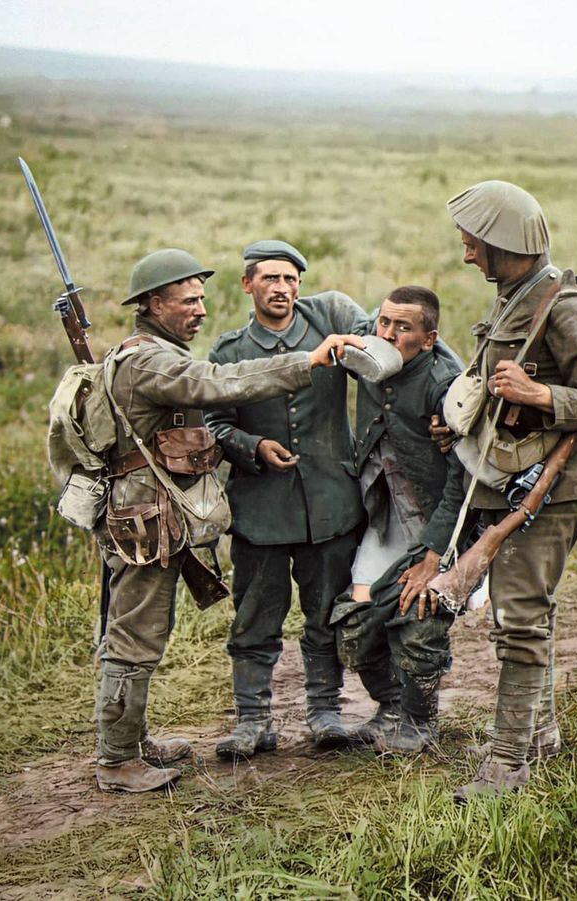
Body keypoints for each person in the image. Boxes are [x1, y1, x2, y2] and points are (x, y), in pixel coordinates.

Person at [93, 248, 363, 792]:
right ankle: (118, 760)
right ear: (152, 304)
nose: (198, 309)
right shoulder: (151, 360)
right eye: (187, 300)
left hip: (154, 514)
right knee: (134, 637)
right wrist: (305, 363)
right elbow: (219, 386)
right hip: (145, 518)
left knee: (144, 630)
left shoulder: (155, 351)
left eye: (200, 298)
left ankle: (132, 741)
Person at [442, 182, 577, 801]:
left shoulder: (562, 304)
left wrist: (539, 395)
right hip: (507, 479)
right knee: (521, 615)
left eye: (475, 243)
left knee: (520, 618)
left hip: (549, 492)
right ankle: (539, 734)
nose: (468, 254)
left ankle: (506, 765)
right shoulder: (512, 298)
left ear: (504, 245)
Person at [205, 240, 368, 757]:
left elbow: (381, 362)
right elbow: (214, 421)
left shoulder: (331, 331)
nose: (282, 288)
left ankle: (326, 712)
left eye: (291, 279)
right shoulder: (229, 353)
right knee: (254, 618)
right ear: (248, 284)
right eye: (270, 279)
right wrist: (251, 446)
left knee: (326, 614)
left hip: (330, 504)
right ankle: (253, 721)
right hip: (260, 511)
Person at [330, 286, 466, 753]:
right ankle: (390, 708)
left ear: (428, 339)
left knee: (418, 618)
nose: (387, 333)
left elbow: (461, 481)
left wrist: (434, 554)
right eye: (383, 323)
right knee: (354, 624)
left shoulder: (445, 386)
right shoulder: (372, 346)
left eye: (402, 328)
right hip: (383, 516)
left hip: (436, 525)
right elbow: (343, 310)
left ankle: (420, 721)